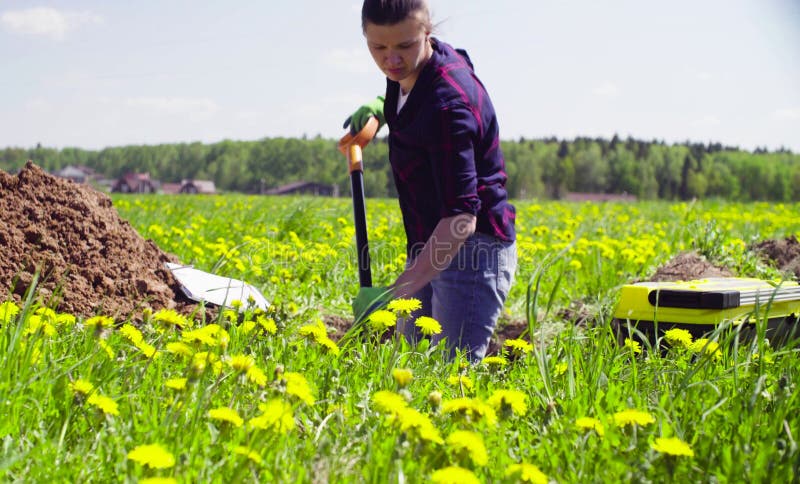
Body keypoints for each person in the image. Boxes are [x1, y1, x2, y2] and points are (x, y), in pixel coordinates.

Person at [348, 0, 516, 362]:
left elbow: (461, 218)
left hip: (473, 252)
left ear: (428, 32)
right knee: (408, 363)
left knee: (449, 374)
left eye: (404, 46)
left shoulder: (448, 106)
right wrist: (382, 108)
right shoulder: (413, 68)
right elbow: (416, 84)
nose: (391, 60)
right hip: (429, 242)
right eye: (378, 47)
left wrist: (395, 291)